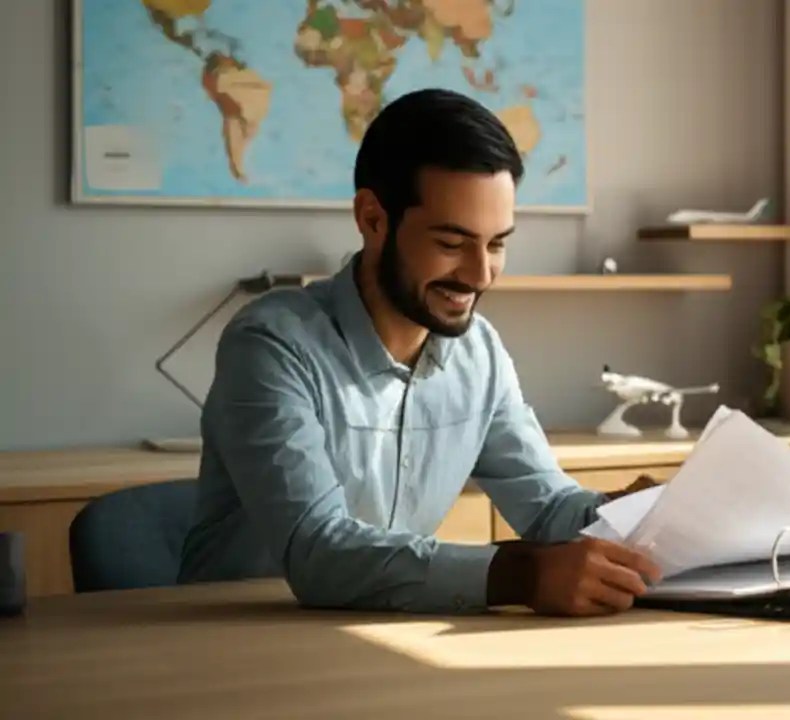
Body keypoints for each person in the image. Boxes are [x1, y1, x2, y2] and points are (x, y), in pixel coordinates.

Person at [179, 88, 660, 615]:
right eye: (452, 244)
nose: (480, 276)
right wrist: (520, 575)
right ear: (372, 218)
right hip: (235, 649)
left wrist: (634, 511)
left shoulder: (480, 353)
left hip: (381, 643)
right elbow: (319, 552)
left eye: (497, 244)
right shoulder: (272, 345)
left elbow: (550, 509)